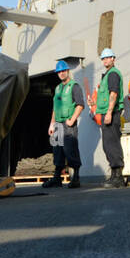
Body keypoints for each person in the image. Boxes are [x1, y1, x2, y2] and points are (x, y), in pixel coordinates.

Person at [44, 60, 85, 188]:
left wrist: (72, 120)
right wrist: (51, 124)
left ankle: (76, 178)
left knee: (70, 150)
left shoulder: (74, 86)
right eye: (59, 72)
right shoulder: (57, 88)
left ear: (67, 71)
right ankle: (57, 178)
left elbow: (80, 105)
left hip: (68, 124)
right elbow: (55, 108)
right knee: (57, 150)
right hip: (57, 124)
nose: (61, 73)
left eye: (63, 71)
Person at [94, 48, 127, 188]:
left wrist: (108, 113)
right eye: (103, 58)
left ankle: (118, 177)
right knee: (107, 145)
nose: (105, 60)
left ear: (113, 58)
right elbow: (106, 96)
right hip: (106, 114)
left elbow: (113, 94)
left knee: (112, 145)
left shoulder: (113, 74)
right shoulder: (107, 75)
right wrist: (94, 104)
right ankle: (114, 175)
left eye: (108, 58)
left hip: (111, 115)